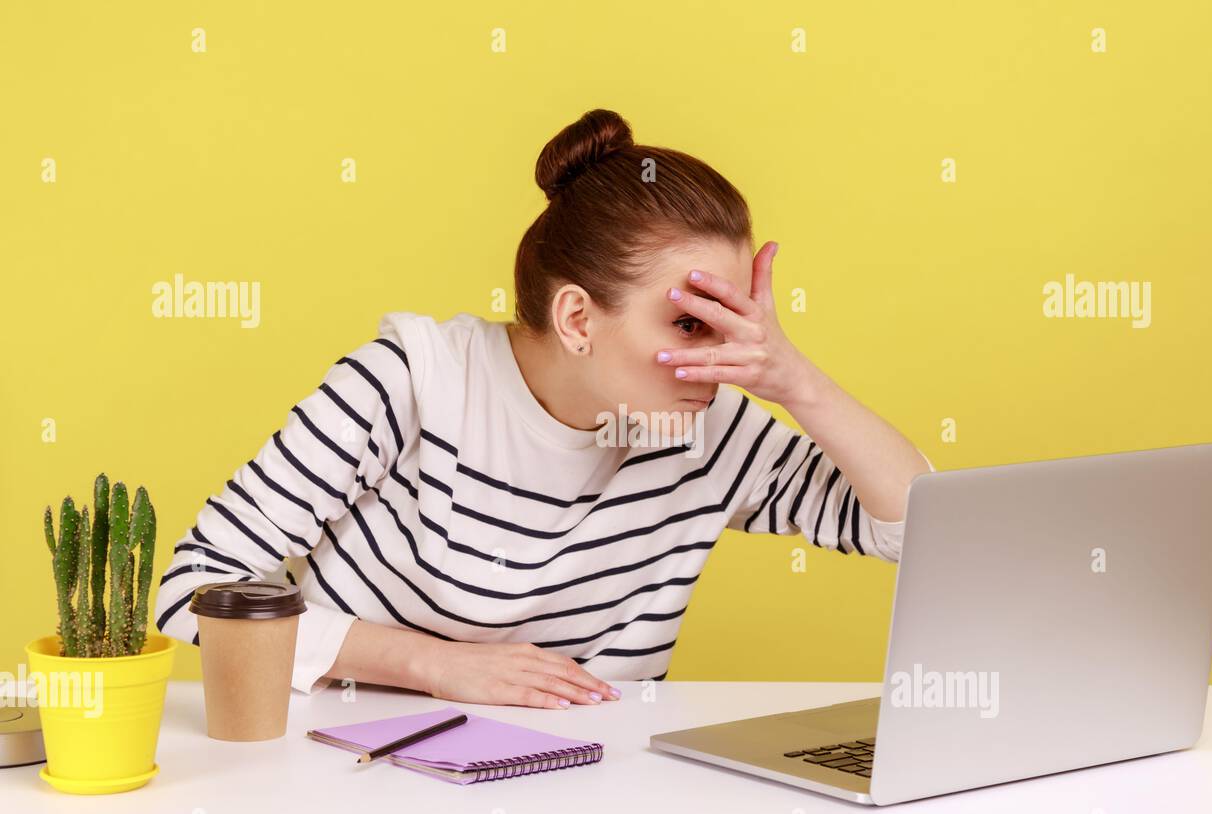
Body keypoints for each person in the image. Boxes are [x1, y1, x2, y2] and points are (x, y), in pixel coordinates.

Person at [155, 108, 934, 710]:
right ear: (576, 319)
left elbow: (916, 528)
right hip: (354, 771)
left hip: (585, 791)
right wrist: (432, 664)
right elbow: (194, 589)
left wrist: (795, 379)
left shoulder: (706, 424)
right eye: (691, 323)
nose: (724, 359)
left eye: (740, 324)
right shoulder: (414, 382)